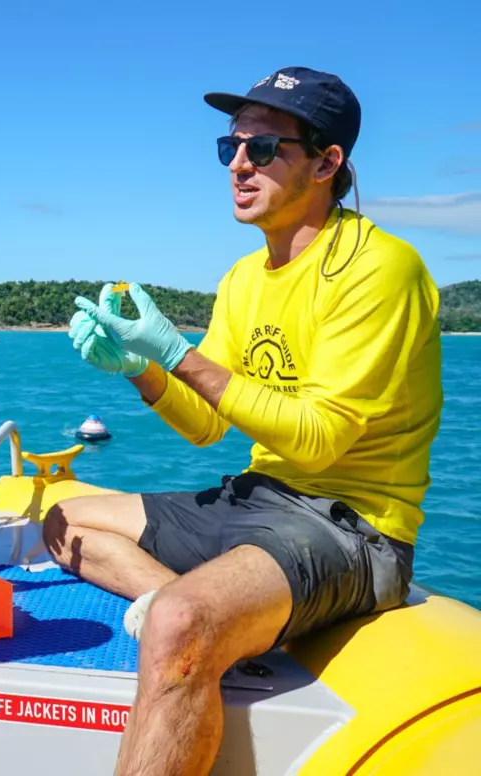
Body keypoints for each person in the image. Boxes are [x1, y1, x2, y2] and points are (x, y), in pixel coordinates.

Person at [46, 66, 442, 776]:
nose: (236, 164)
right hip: (260, 498)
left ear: (327, 163)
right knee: (64, 522)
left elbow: (320, 438)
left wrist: (175, 350)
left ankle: (180, 611)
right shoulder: (242, 279)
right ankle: (178, 598)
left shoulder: (382, 269)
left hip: (353, 524)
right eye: (229, 146)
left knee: (177, 626)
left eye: (262, 149)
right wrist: (138, 368)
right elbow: (205, 426)